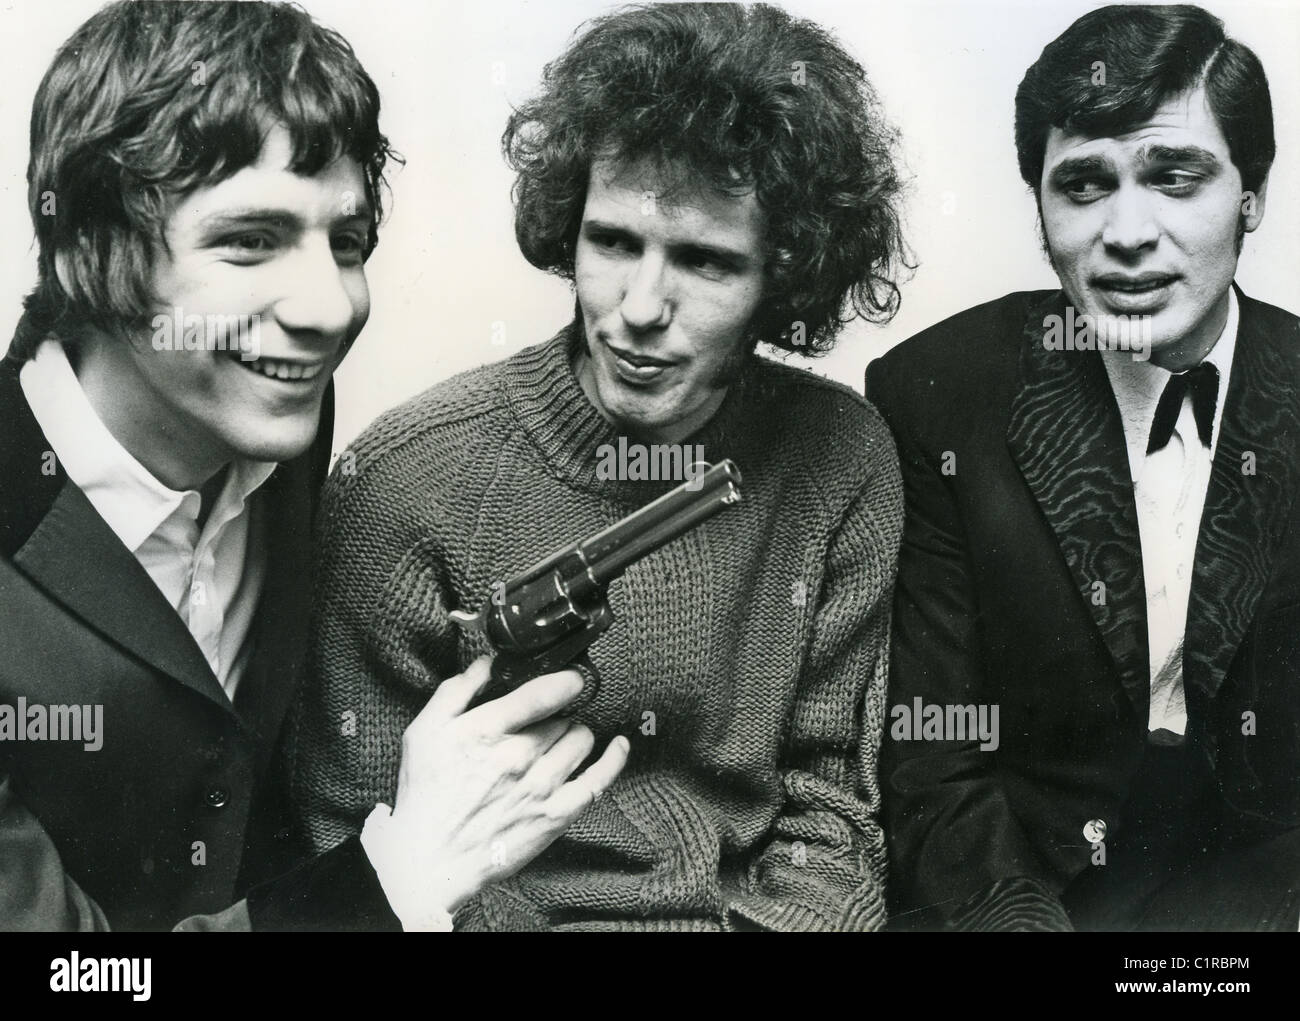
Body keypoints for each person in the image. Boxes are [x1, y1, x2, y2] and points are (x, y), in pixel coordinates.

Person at [292, 1, 908, 931]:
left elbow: (832, 820)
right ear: (566, 226)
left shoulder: (844, 460)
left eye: (704, 262)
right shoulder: (404, 478)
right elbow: (353, 841)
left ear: (783, 276)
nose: (639, 306)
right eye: (614, 241)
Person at [0, 0, 594, 933]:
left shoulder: (276, 431)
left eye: (346, 243)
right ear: (87, 247)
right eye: (250, 241)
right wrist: (392, 881)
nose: (329, 307)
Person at [866, 3, 1300, 931]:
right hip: (1034, 879)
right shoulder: (940, 391)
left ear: (1251, 194)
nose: (1127, 231)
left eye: (1176, 178)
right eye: (1084, 185)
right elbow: (933, 756)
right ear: (1040, 208)